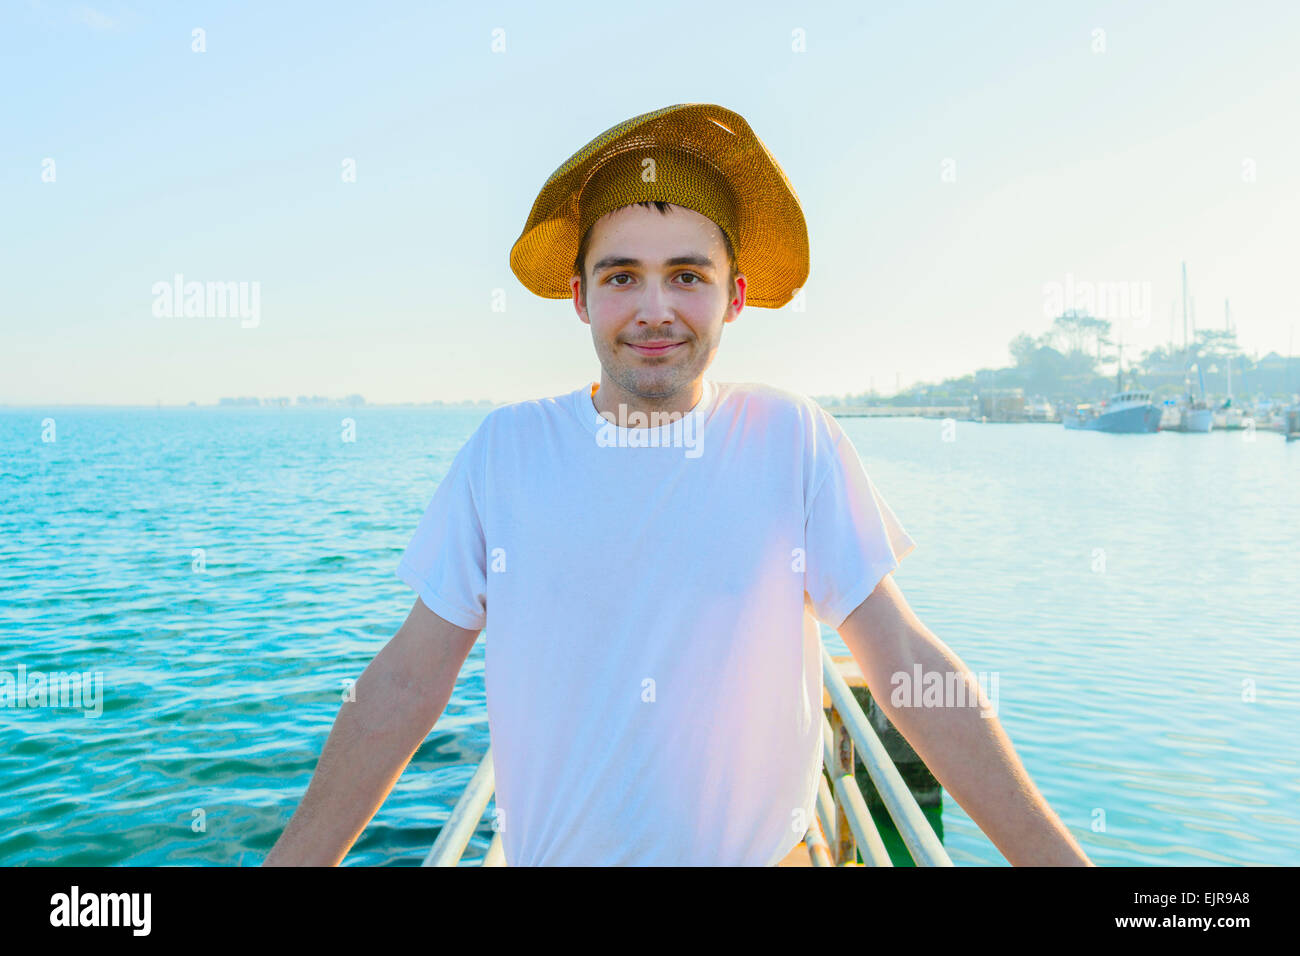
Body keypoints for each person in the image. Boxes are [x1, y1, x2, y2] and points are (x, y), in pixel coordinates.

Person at [264, 103, 1093, 867]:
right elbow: (409, 680)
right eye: (622, 275)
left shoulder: (791, 438)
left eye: (687, 276)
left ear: (732, 298)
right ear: (579, 295)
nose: (655, 309)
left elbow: (903, 660)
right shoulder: (505, 451)